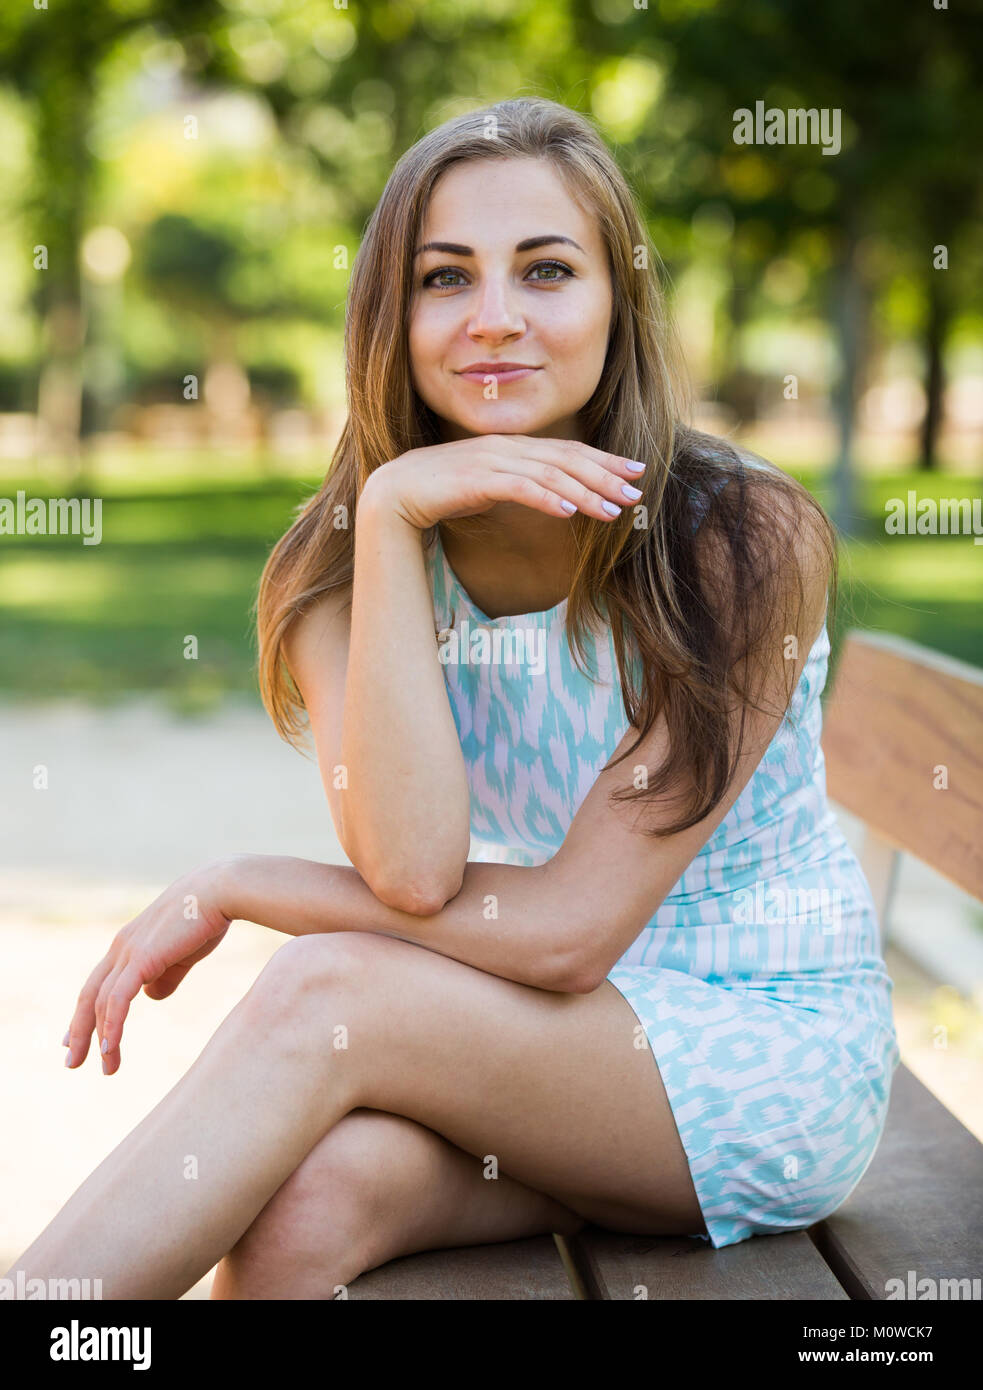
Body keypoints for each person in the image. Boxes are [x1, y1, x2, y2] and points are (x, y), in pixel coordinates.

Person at [8, 97, 900, 1299]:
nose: (494, 321)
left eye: (545, 271)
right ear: (393, 313)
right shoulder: (339, 569)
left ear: (614, 304)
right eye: (444, 278)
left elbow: (569, 932)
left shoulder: (737, 539)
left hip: (766, 1056)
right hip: (551, 1048)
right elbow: (417, 872)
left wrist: (235, 885)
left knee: (330, 987)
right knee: (304, 1216)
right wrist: (387, 516)